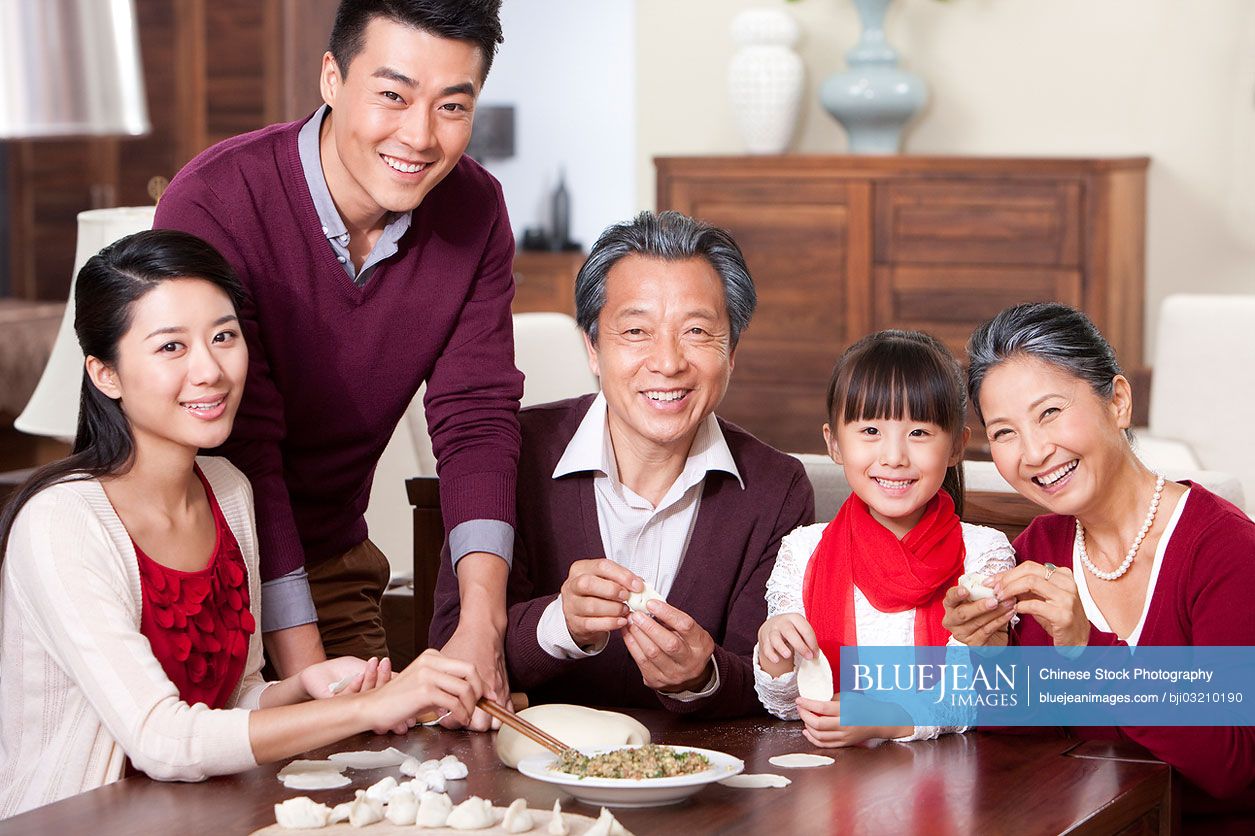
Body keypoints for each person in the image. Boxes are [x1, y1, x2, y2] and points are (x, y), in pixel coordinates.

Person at [0, 231, 486, 817]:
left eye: (224, 336)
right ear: (106, 375)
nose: (210, 370)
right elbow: (162, 737)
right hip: (79, 822)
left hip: (201, 813)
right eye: (171, 348)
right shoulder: (62, 521)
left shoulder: (229, 489)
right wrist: (364, 709)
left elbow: (231, 697)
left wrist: (296, 689)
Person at [152, 0, 521, 721]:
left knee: (389, 785)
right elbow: (244, 443)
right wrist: (313, 687)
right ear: (330, 77)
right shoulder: (217, 201)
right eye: (392, 95)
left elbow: (475, 417)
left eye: (452, 105)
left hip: (329, 561)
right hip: (196, 572)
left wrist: (481, 628)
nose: (419, 136)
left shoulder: (475, 210)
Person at [431, 211, 814, 718]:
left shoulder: (777, 488)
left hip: (701, 785)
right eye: (636, 331)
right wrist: (559, 624)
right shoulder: (512, 453)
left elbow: (773, 686)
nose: (668, 362)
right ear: (592, 347)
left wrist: (703, 676)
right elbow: (452, 651)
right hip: (524, 771)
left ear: (732, 351)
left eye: (697, 331)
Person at [950, 301, 1255, 821]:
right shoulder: (1037, 549)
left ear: (1117, 402)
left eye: (1049, 412)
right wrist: (994, 659)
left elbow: (1232, 766)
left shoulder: (1224, 549)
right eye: (1005, 432)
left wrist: (1087, 649)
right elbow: (1025, 743)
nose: (1034, 451)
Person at [754, 330, 1016, 746]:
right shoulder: (802, 551)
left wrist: (887, 718)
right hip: (827, 787)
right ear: (834, 444)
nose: (894, 457)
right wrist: (776, 658)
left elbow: (979, 693)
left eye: (919, 433)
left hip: (942, 789)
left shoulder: (983, 554)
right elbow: (786, 707)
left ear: (956, 447)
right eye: (871, 431)